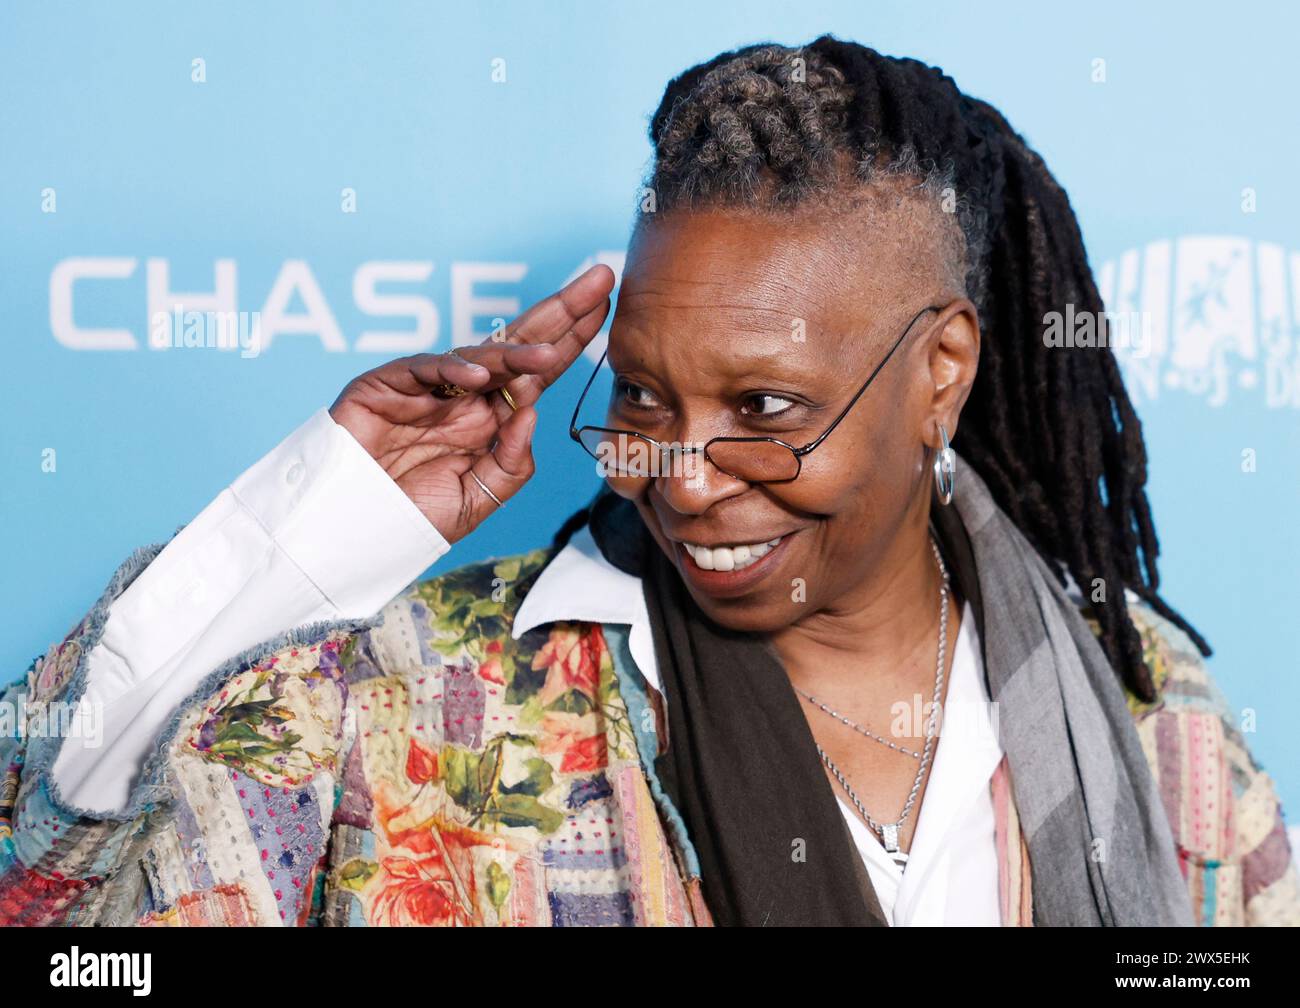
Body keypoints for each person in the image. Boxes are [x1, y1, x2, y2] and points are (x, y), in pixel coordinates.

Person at [2, 35, 1297, 928]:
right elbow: (50, 912)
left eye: (764, 409)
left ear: (942, 370)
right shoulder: (404, 709)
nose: (678, 479)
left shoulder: (1150, 722)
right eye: (639, 396)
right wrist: (319, 529)